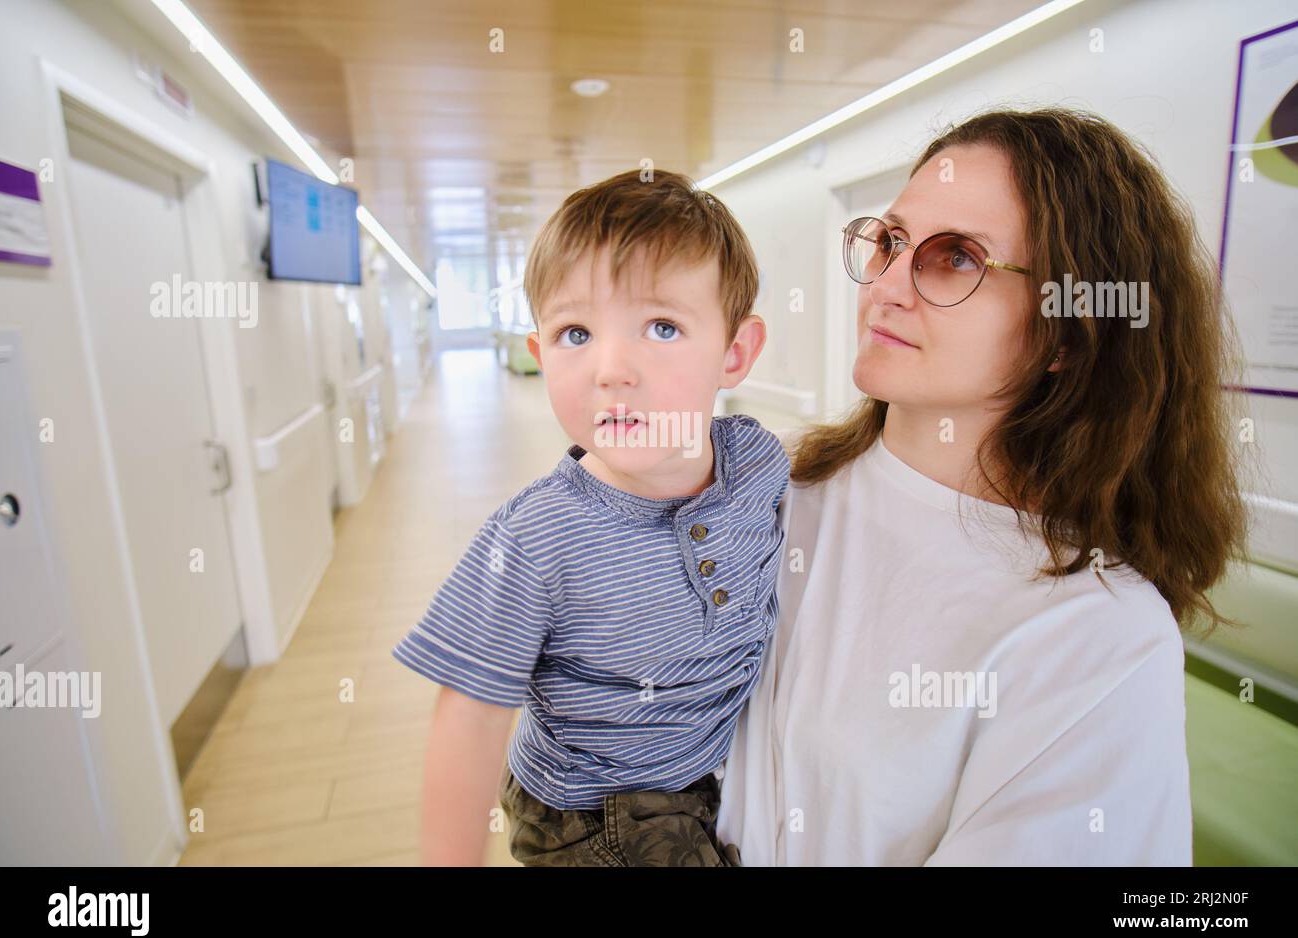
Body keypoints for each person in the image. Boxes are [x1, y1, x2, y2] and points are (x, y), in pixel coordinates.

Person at [716, 107, 1249, 865]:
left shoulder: (1096, 633)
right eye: (891, 242)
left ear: (1067, 331)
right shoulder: (757, 493)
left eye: (956, 259)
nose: (888, 287)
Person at [392, 169, 789, 866]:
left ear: (735, 352)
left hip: (711, 775)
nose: (612, 369)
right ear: (538, 356)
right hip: (594, 808)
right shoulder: (536, 538)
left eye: (662, 327)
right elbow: (471, 719)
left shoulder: (755, 463)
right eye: (576, 332)